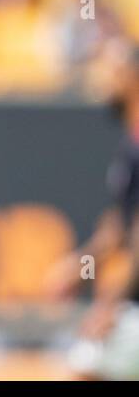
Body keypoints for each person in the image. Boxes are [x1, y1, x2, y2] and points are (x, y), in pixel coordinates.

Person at [49, 39, 139, 379]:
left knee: (81, 374)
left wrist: (109, 305)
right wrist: (82, 262)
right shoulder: (130, 143)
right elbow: (122, 222)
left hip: (132, 307)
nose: (103, 82)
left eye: (112, 71)